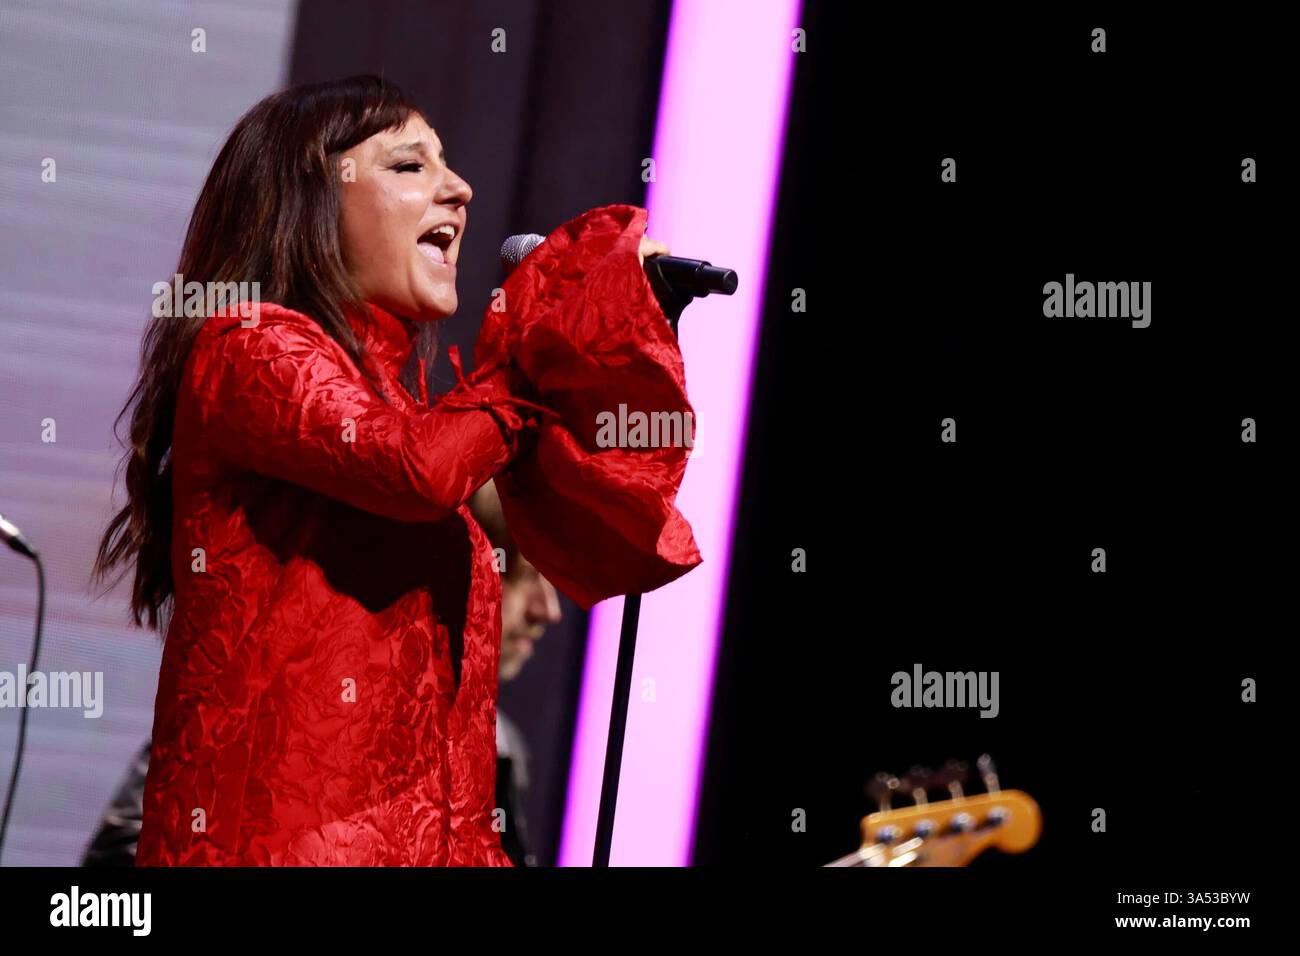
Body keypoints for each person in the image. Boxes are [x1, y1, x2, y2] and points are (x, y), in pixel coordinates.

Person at [92, 74, 695, 866]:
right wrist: (545, 333)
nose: (461, 188)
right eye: (410, 167)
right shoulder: (248, 348)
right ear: (313, 204)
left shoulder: (413, 408)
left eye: (446, 165)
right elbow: (413, 473)